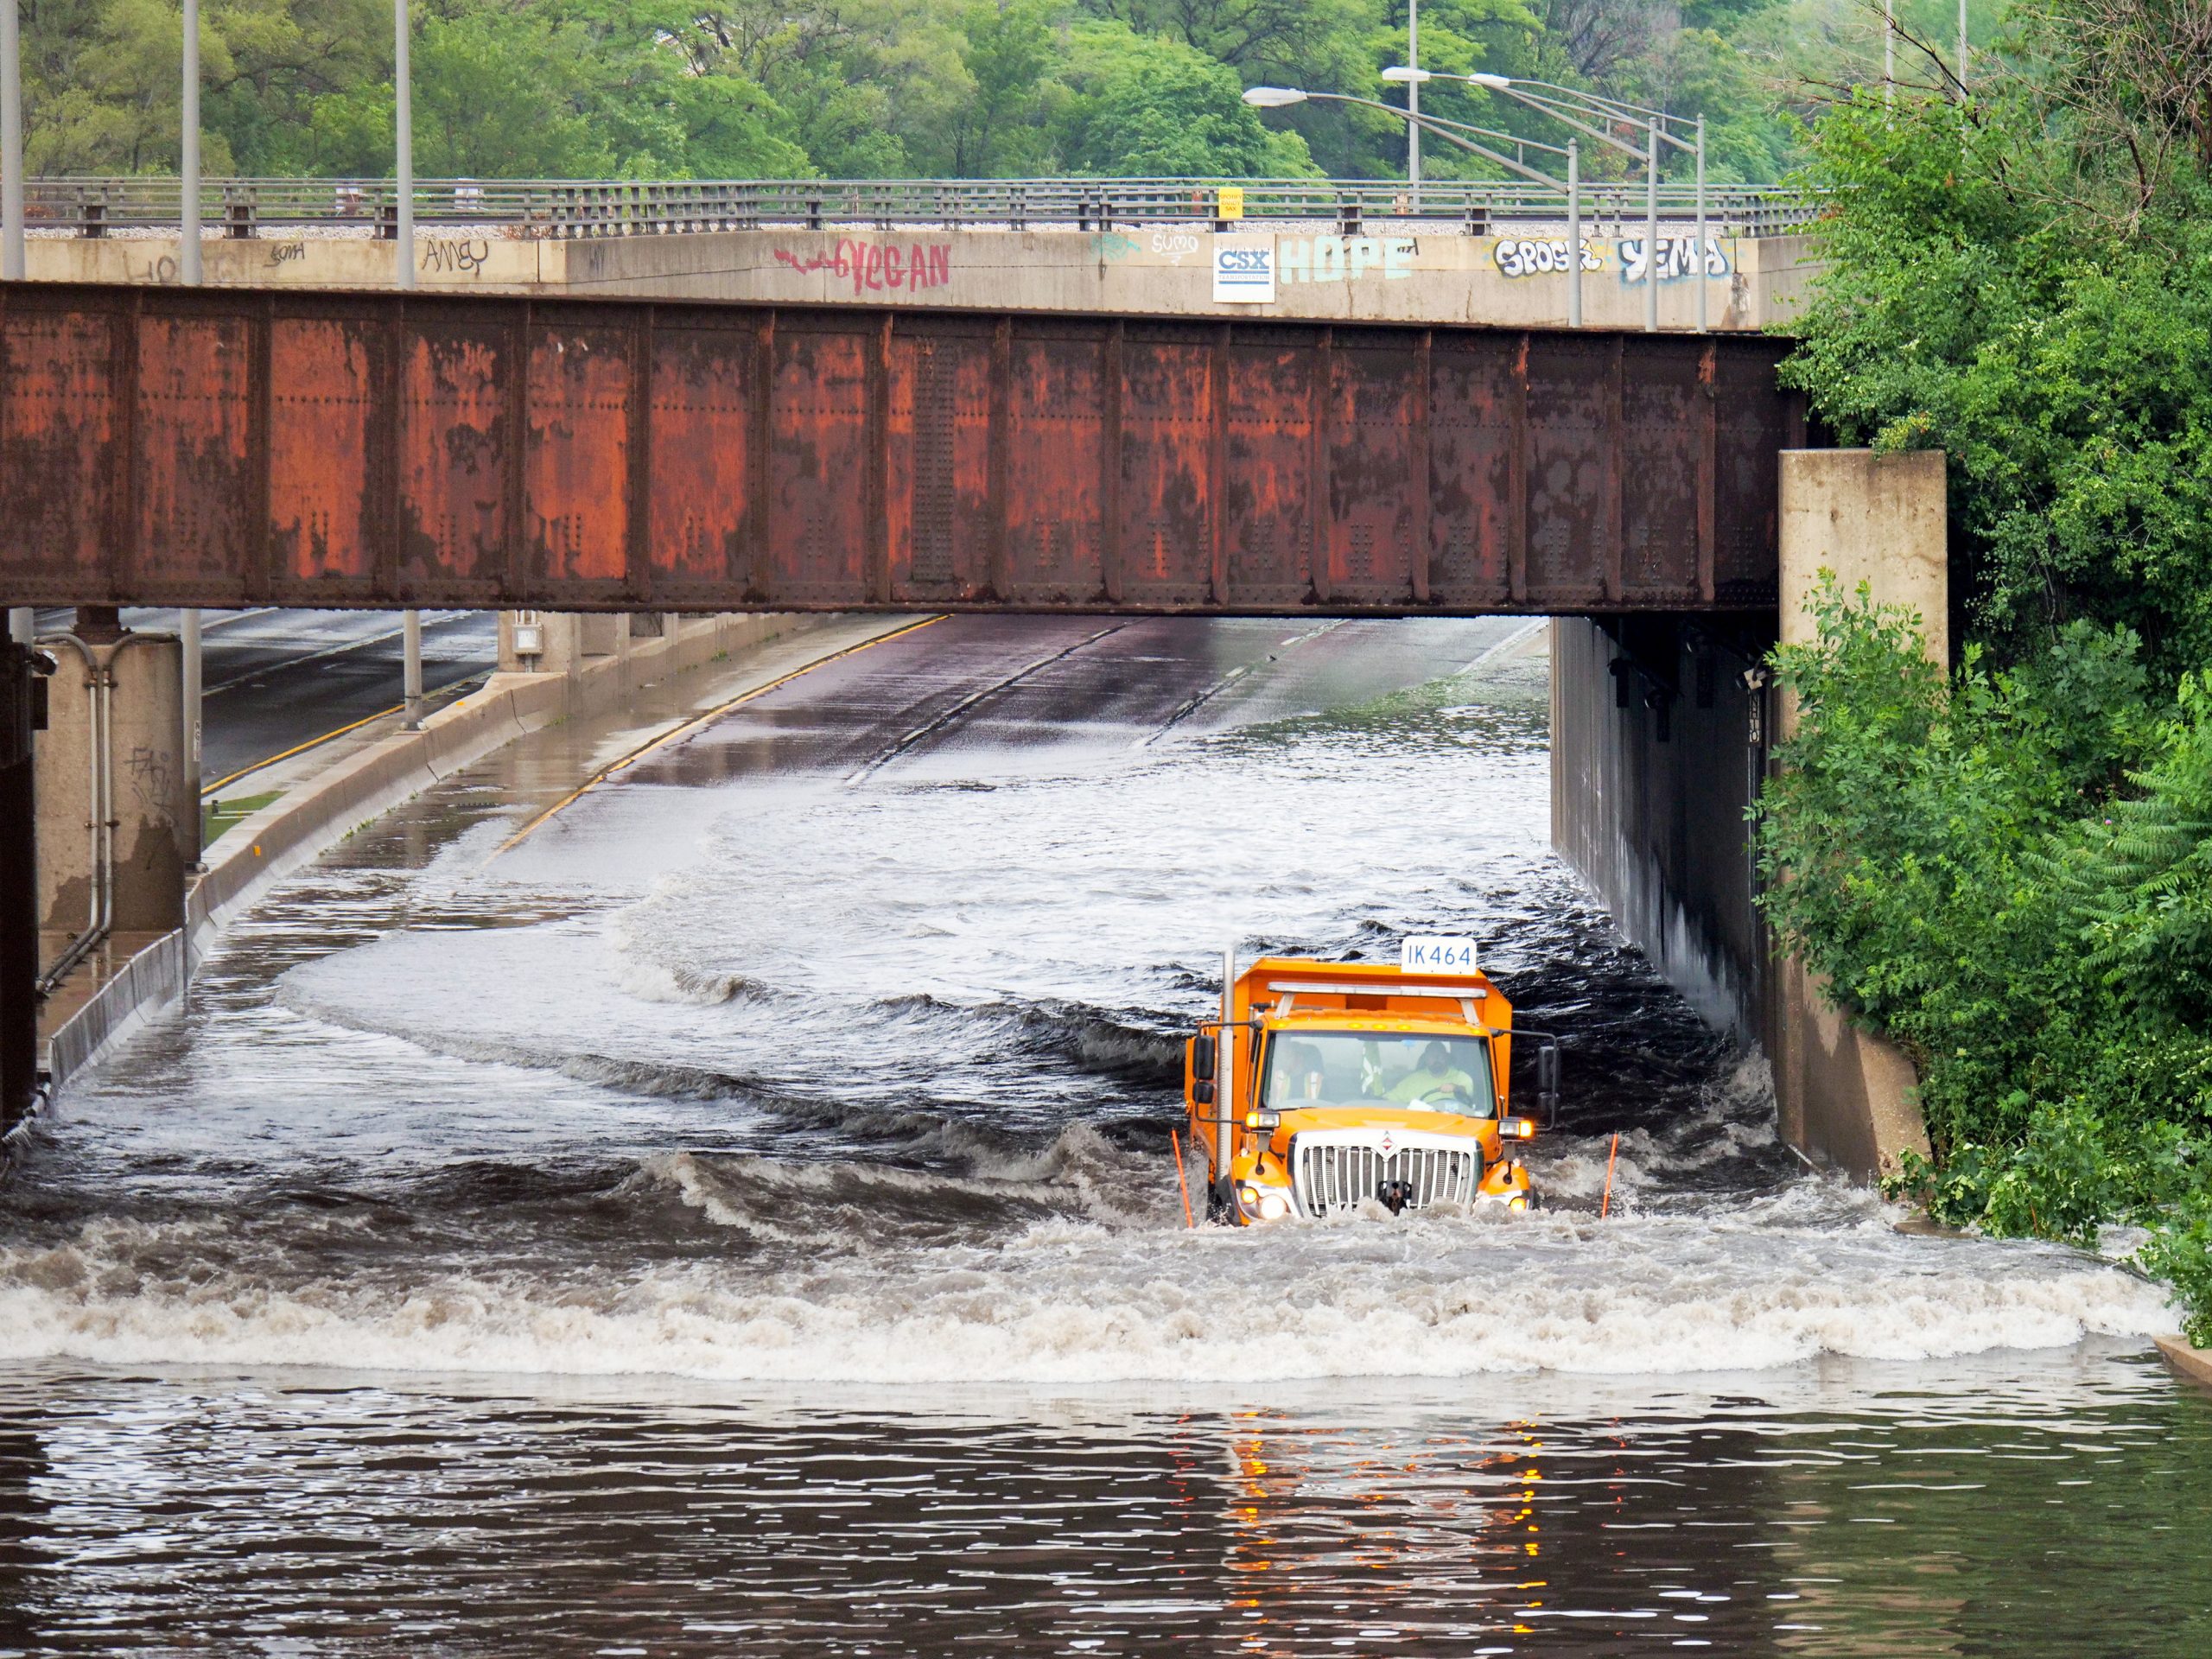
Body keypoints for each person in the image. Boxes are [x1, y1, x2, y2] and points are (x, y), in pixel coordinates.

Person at [1386, 1041, 1476, 1109]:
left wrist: (1455, 1088)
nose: (1436, 1058)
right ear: (1425, 1059)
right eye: (1432, 1056)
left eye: (1440, 1055)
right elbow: (1389, 1099)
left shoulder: (1460, 1077)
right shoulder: (1413, 1080)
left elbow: (1468, 1092)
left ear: (1446, 1057)